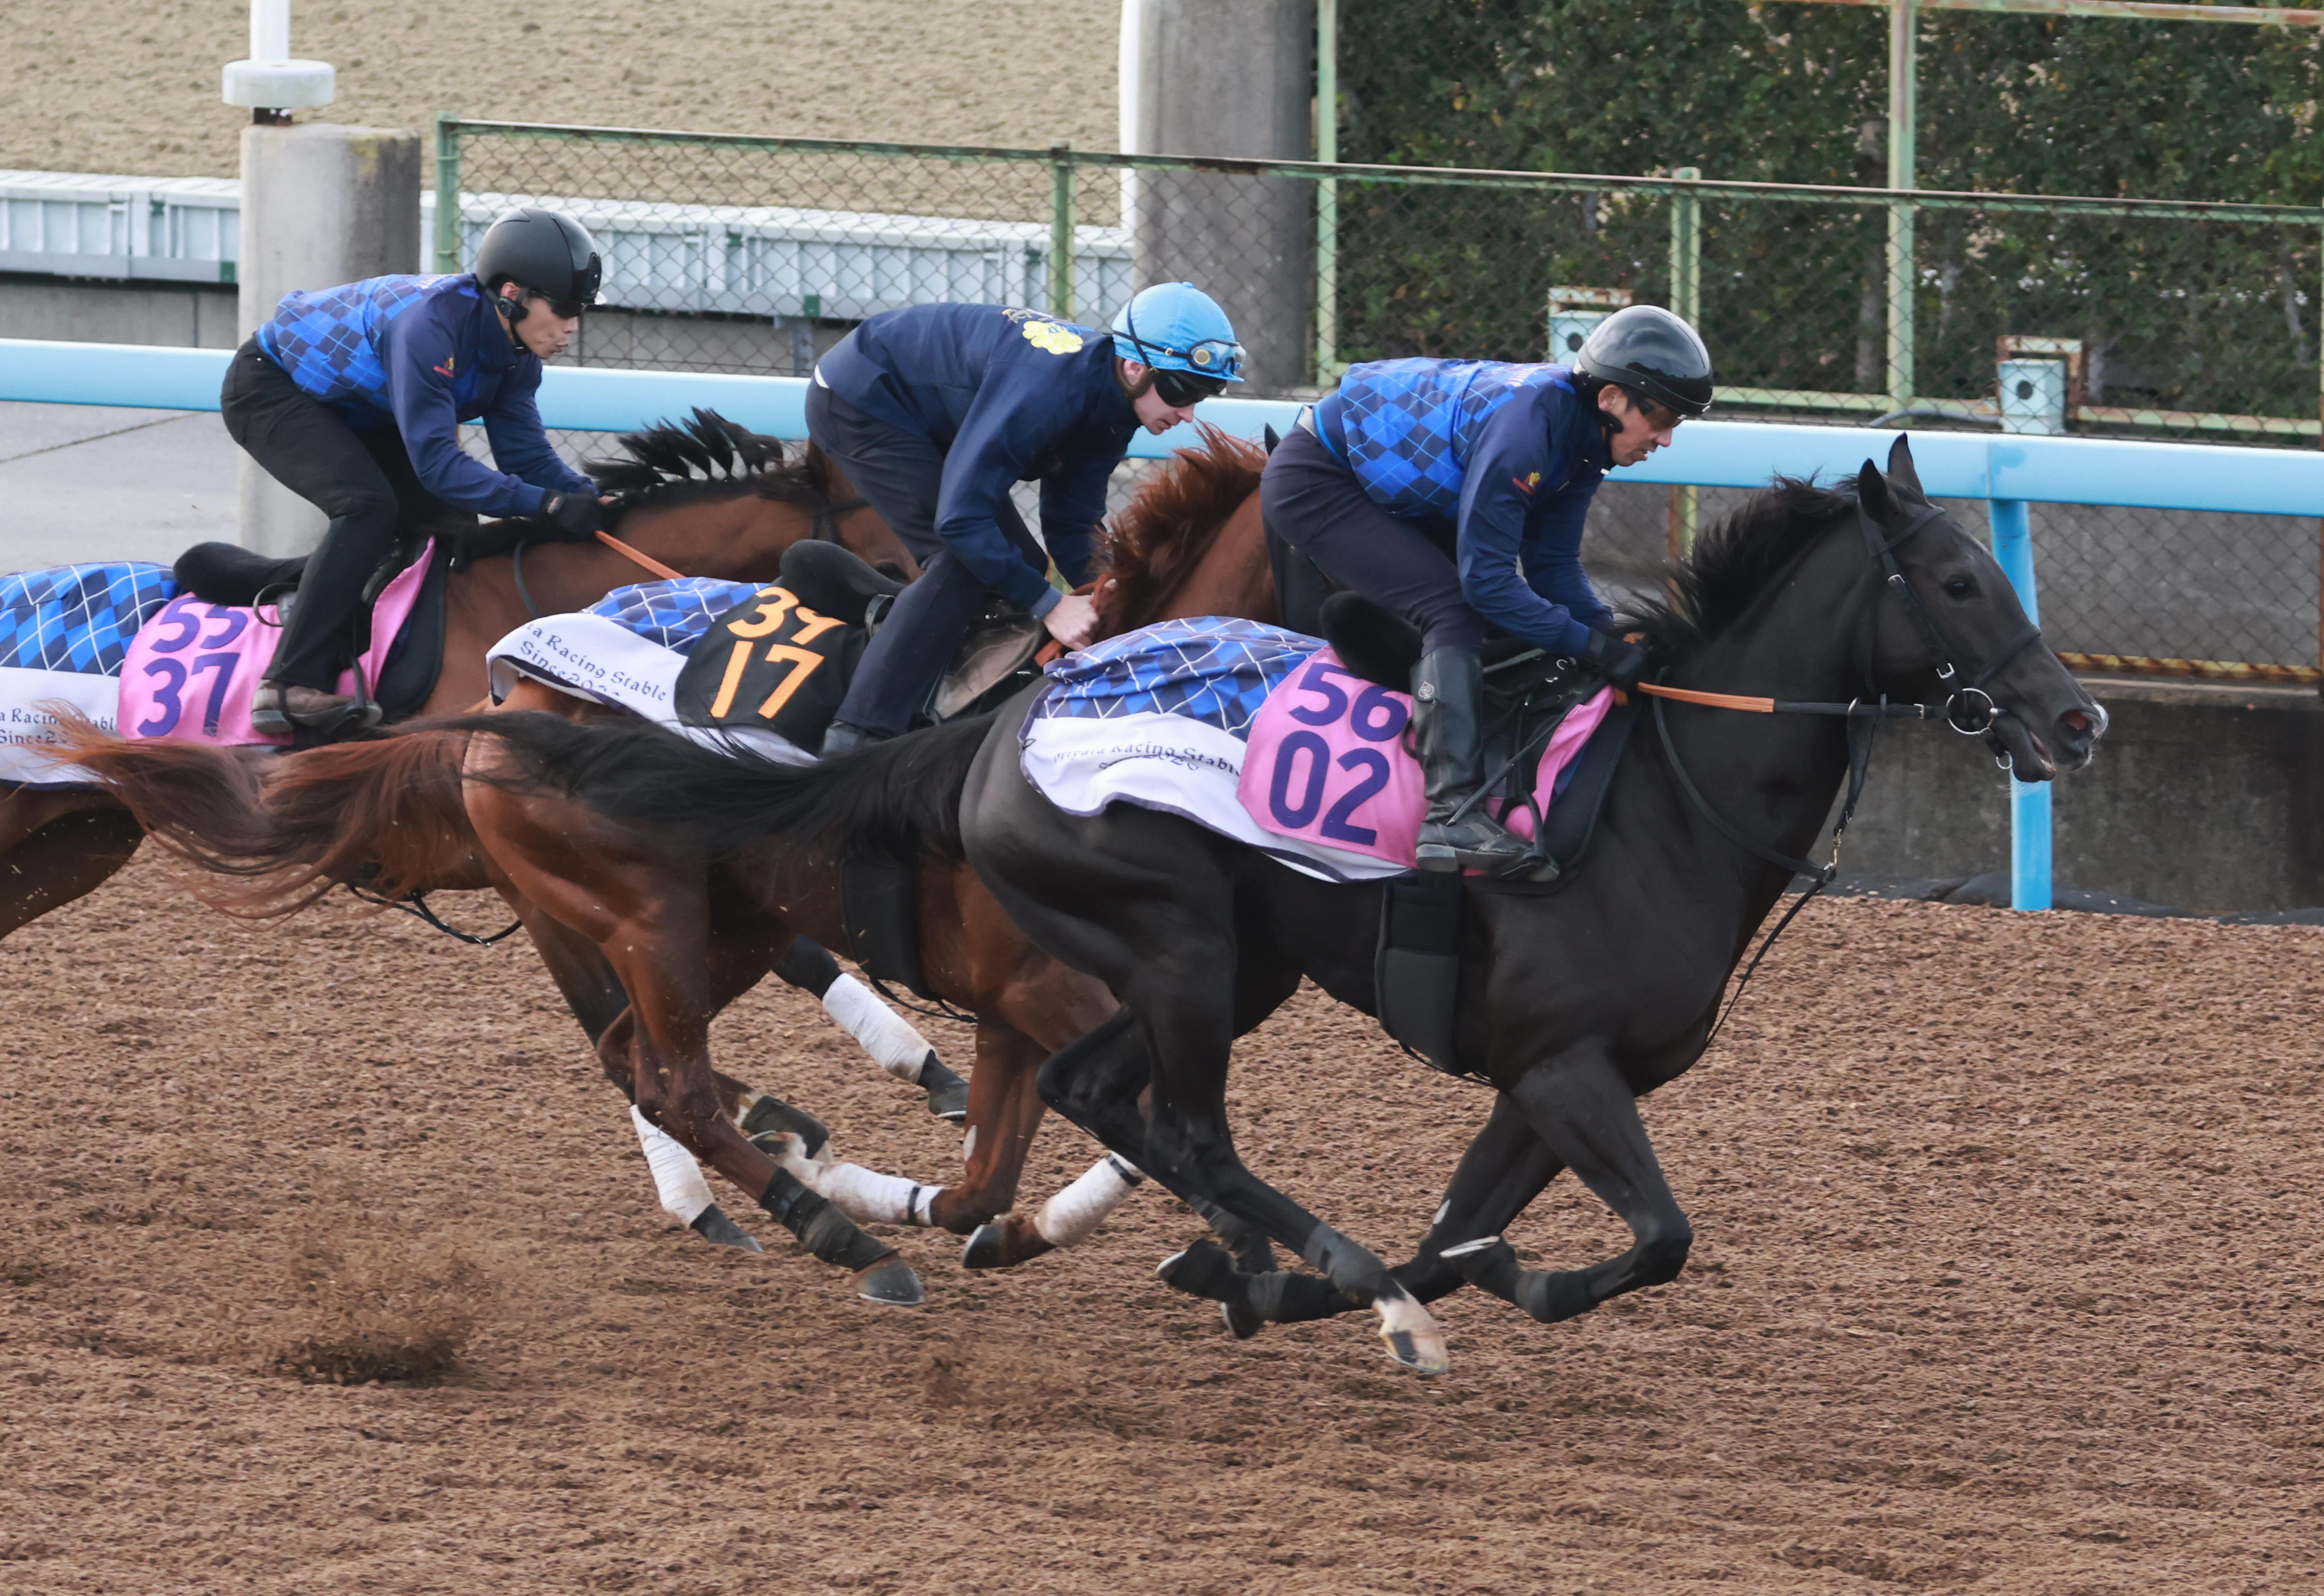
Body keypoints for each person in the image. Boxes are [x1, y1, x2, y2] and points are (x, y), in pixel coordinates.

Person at [1259, 304, 1714, 875]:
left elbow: (1552, 567)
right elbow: (1487, 583)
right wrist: (1596, 649)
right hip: (1319, 477)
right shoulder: (1530, 433)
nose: (1666, 439)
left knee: (1508, 619)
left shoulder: (1585, 446)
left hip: (1394, 485)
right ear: (1613, 399)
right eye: (1664, 417)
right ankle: (1450, 816)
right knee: (1454, 606)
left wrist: (1613, 638)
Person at [221, 208, 614, 734]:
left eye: (580, 311)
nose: (571, 326)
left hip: (364, 408)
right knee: (366, 508)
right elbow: (439, 467)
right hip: (275, 389)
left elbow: (526, 459)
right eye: (564, 308)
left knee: (451, 530)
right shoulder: (430, 326)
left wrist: (590, 499)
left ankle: (402, 664)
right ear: (511, 294)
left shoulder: (520, 357)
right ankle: (289, 684)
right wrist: (549, 506)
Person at [808, 282, 1244, 752]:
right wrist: (1052, 606)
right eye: (1182, 389)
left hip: (934, 412)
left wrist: (1115, 589)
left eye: (1205, 393)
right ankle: (855, 737)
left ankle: (926, 668)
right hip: (866, 398)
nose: (1188, 412)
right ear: (1135, 365)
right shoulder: (1049, 390)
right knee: (964, 562)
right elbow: (959, 523)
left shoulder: (1117, 406)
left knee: (1021, 565)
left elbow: (1071, 523)